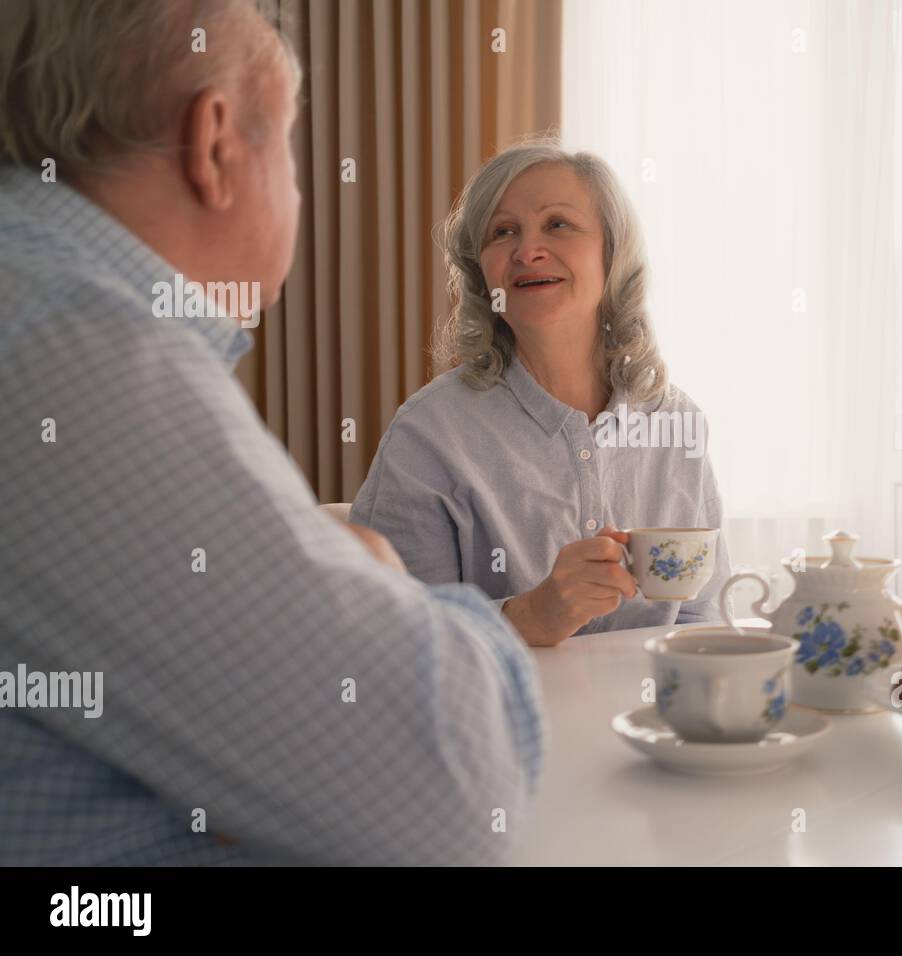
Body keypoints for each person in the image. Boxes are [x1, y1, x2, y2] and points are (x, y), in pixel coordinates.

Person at [0, 0, 541, 865]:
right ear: (216, 143)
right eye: (288, 148)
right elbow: (452, 794)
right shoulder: (74, 343)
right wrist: (388, 581)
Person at [350, 140, 731, 646]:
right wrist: (530, 616)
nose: (527, 251)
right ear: (482, 275)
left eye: (558, 224)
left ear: (611, 254)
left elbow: (702, 622)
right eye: (502, 232)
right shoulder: (428, 434)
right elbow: (385, 641)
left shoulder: (677, 423)